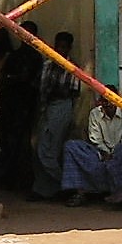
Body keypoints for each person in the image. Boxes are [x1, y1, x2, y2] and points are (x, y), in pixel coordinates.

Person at [60, 95, 122, 206]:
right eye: (105, 101)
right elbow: (95, 138)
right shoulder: (95, 113)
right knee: (71, 146)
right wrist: (104, 152)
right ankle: (80, 192)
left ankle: (120, 193)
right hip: (100, 152)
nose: (108, 104)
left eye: (112, 101)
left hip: (121, 151)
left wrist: (114, 153)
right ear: (101, 102)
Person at [30, 31, 80, 199]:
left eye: (64, 47)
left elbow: (72, 93)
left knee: (50, 151)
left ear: (69, 48)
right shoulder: (47, 64)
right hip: (46, 108)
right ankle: (48, 188)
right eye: (58, 46)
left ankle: (65, 186)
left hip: (61, 109)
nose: (60, 49)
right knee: (39, 149)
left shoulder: (72, 68)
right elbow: (41, 90)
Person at [0, 22, 43, 191]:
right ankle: (10, 180)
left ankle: (22, 182)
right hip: (11, 106)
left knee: (23, 146)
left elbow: (31, 82)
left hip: (26, 106)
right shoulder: (15, 56)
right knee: (10, 144)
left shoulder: (37, 57)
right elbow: (5, 79)